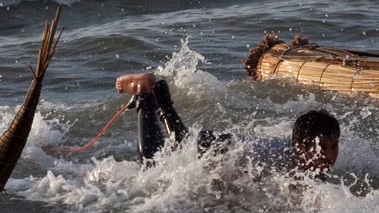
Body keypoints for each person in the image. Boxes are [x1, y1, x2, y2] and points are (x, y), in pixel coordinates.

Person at [113, 71, 340, 177]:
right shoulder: (283, 161)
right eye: (324, 147)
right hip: (216, 148)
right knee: (152, 165)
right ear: (301, 146)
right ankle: (144, 93)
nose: (330, 155)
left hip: (223, 143)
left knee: (177, 147)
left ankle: (161, 99)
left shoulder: (304, 161)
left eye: (334, 146)